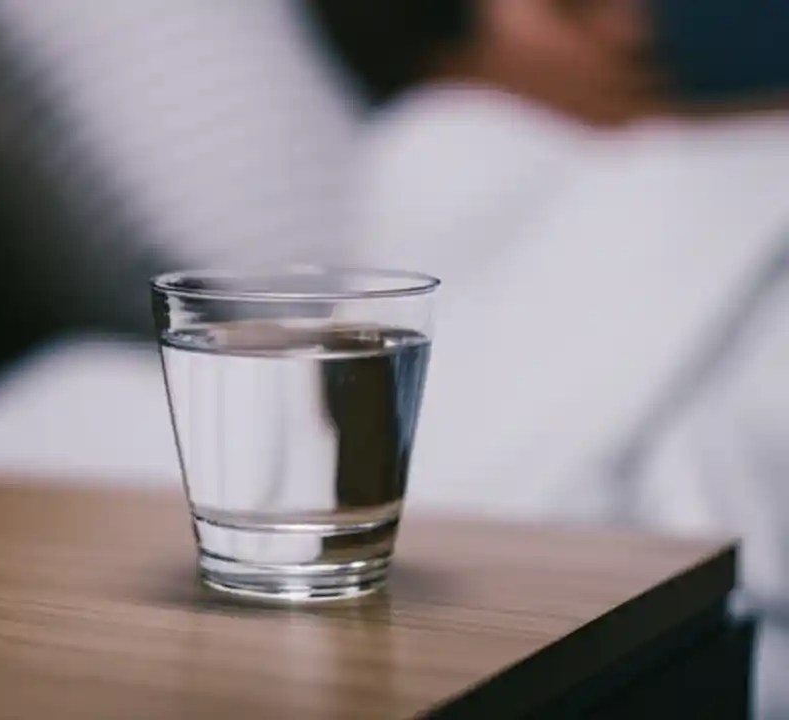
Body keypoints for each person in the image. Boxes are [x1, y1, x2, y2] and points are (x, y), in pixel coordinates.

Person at [315, 1, 789, 716]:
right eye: (573, 8)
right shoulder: (440, 146)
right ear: (435, 38)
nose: (633, 27)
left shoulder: (691, 155)